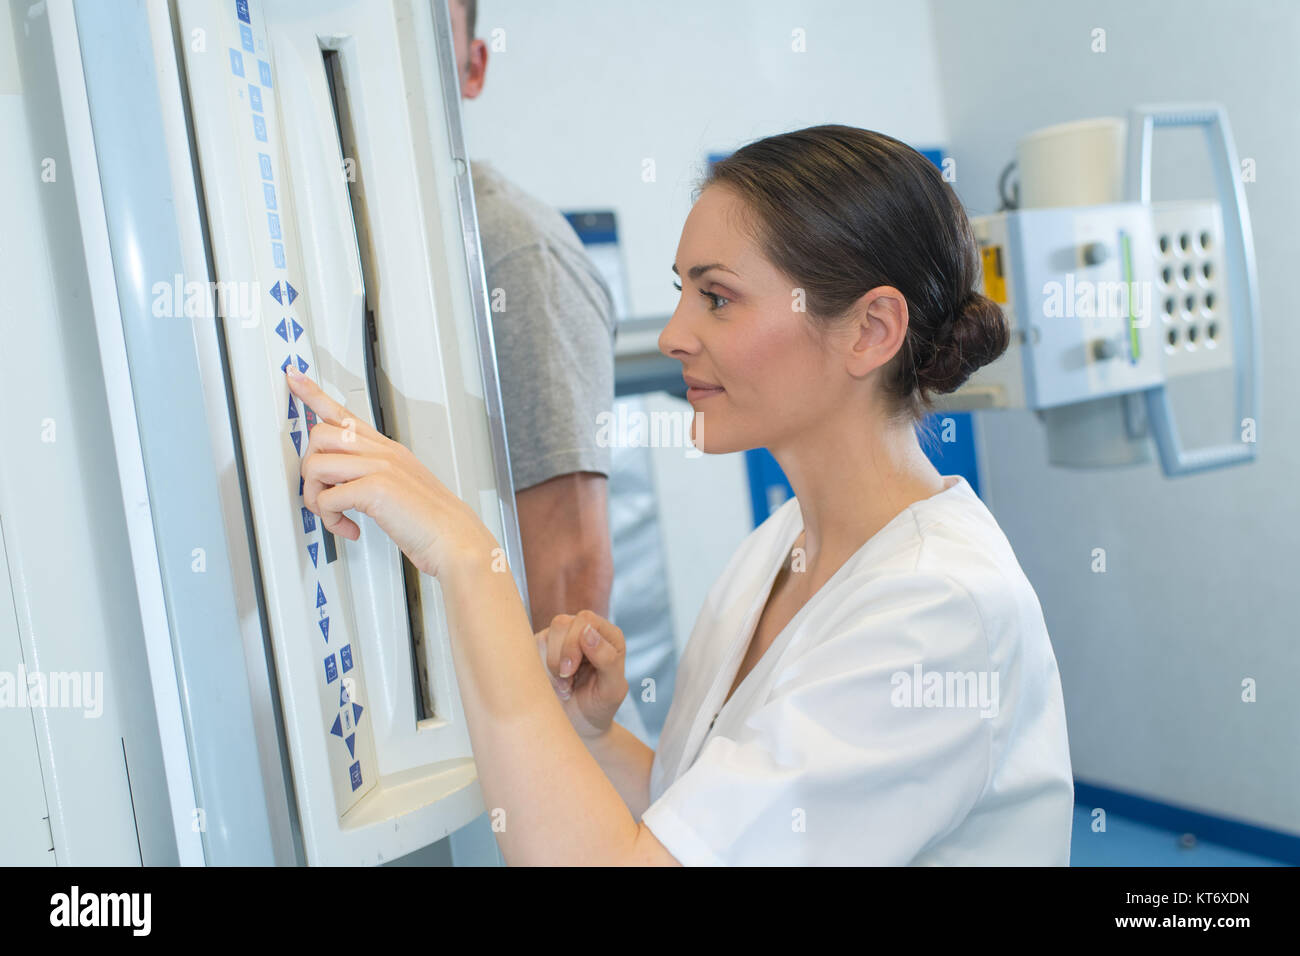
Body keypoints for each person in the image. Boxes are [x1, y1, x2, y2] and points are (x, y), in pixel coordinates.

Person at [285, 124, 1074, 865]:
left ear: (870, 330)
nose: (672, 334)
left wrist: (468, 559)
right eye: (681, 292)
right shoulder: (780, 549)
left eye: (718, 298)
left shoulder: (939, 610)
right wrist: (593, 734)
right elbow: (701, 823)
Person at [449, 0, 616, 632]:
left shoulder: (517, 253)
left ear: (474, 67)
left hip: (527, 723)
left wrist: (525, 731)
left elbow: (570, 571)